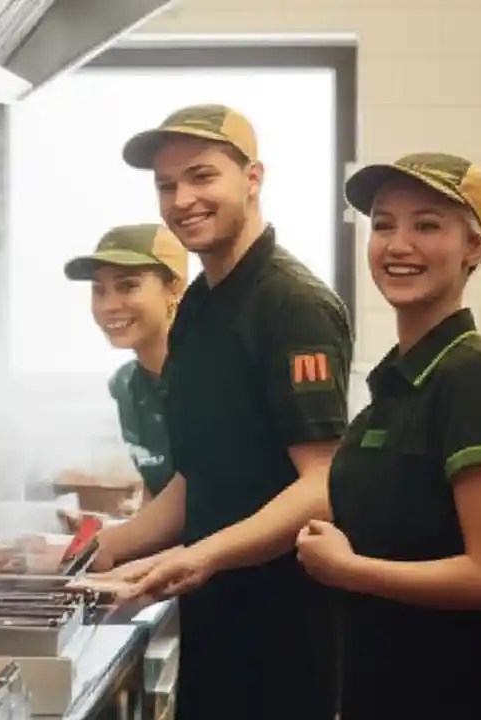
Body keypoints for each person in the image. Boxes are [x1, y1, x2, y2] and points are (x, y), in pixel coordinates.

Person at [93, 104, 353, 719]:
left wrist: (199, 555)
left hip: (286, 630)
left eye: (202, 176)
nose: (182, 198)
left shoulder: (293, 305)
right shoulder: (201, 311)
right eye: (166, 185)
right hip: (214, 617)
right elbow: (200, 477)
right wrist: (107, 546)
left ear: (253, 178)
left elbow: (323, 484)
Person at [294, 153, 481, 718]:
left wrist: (350, 571)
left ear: (474, 247)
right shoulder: (402, 378)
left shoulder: (471, 377)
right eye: (383, 224)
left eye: (427, 225)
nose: (399, 245)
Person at [63, 224, 188, 500]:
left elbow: (202, 502)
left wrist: (112, 542)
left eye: (128, 286)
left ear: (174, 287)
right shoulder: (126, 385)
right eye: (99, 290)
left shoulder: (211, 375)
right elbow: (158, 489)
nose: (109, 305)